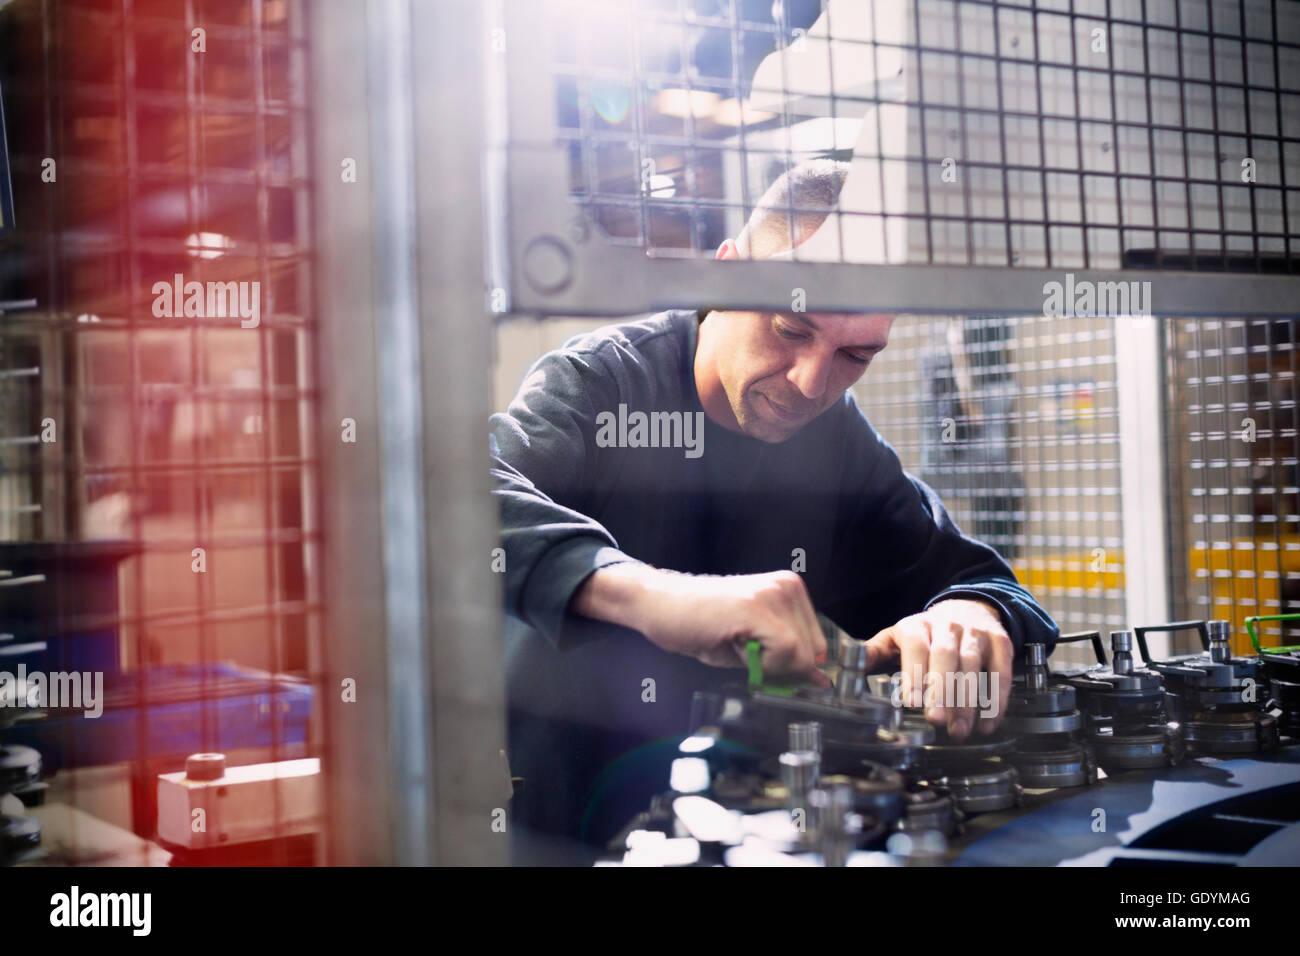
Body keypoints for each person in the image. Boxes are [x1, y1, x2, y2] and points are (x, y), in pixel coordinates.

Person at [490, 159, 1059, 856]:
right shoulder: (600, 383)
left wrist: (971, 614)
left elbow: (987, 582)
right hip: (566, 832)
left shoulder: (838, 442)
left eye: (856, 355)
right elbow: (460, 492)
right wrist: (657, 596)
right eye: (791, 329)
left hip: (752, 836)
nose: (812, 383)